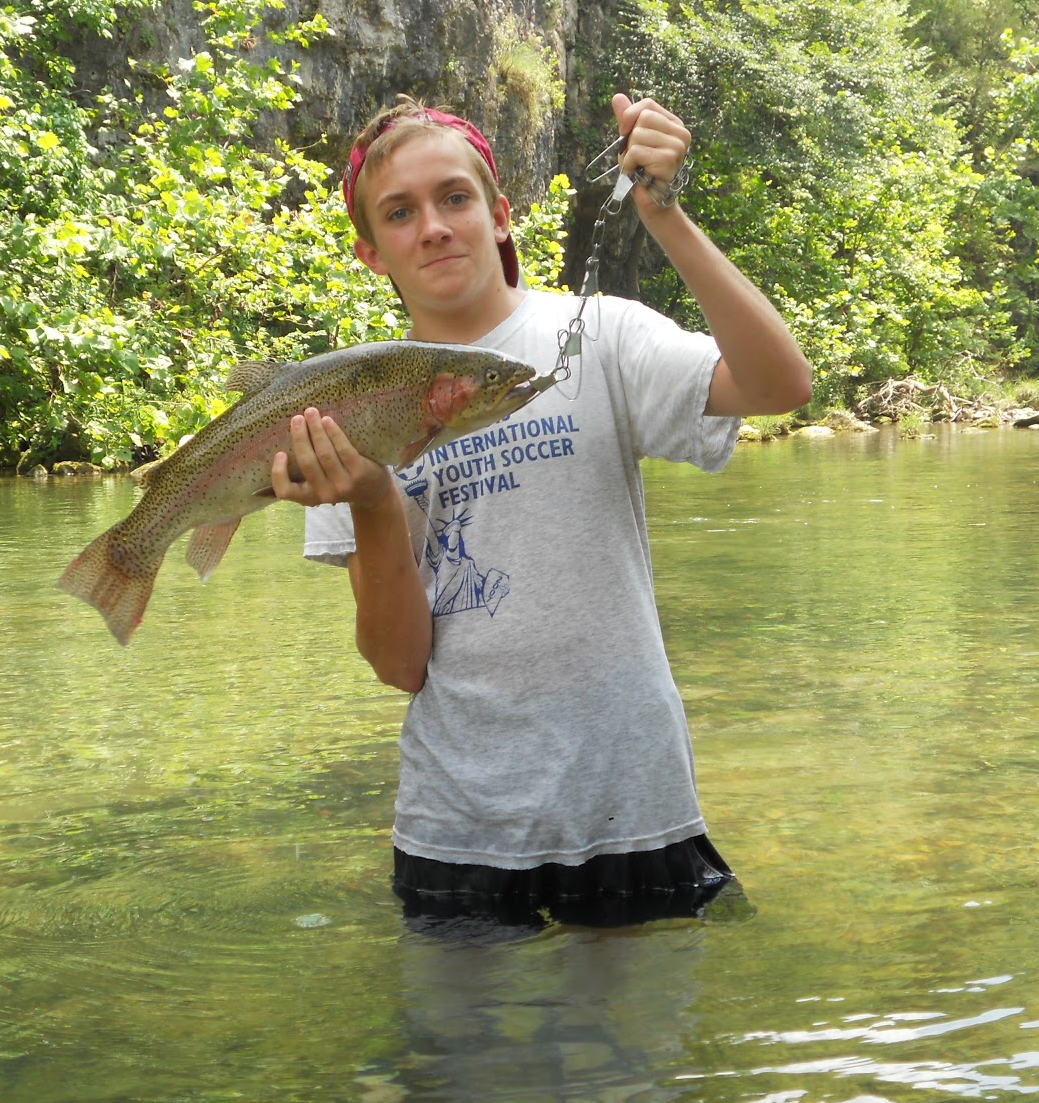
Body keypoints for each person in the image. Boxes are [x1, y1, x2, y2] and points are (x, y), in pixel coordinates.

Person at [268, 93, 812, 928]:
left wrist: (662, 215)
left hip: (632, 803)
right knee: (459, 1061)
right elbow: (399, 666)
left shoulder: (603, 335)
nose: (435, 227)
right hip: (459, 826)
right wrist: (376, 502)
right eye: (400, 213)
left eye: (454, 198)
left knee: (631, 1061)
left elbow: (781, 386)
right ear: (370, 253)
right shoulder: (343, 413)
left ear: (499, 214)